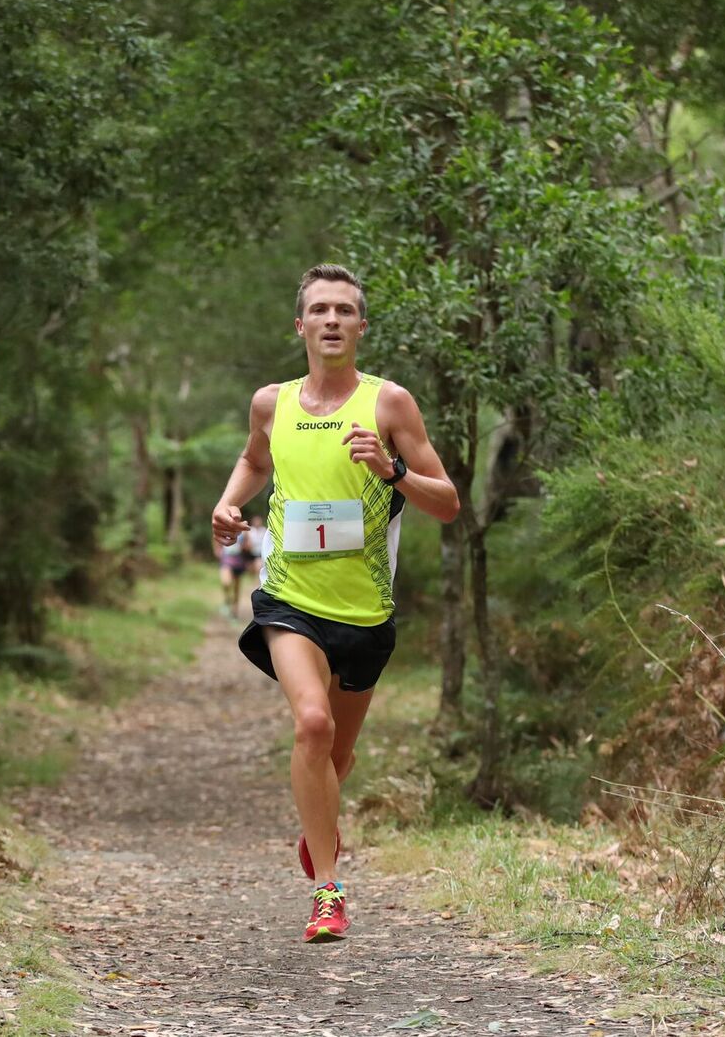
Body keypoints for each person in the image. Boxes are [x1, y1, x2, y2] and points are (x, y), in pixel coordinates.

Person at [210, 264, 459, 943]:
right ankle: (329, 889)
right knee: (312, 727)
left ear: (360, 327)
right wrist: (230, 504)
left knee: (337, 758)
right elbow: (256, 462)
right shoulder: (272, 403)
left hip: (366, 612)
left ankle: (318, 822)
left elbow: (448, 502)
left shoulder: (390, 405)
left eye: (344, 310)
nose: (331, 320)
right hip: (289, 598)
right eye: (319, 309)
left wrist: (393, 470)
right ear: (300, 326)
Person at [214, 514, 266, 619]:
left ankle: (234, 611)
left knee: (237, 587)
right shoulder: (222, 528)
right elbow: (215, 539)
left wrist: (245, 546)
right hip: (227, 560)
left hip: (239, 561)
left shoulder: (244, 532)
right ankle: (227, 600)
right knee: (226, 582)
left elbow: (248, 546)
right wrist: (218, 551)